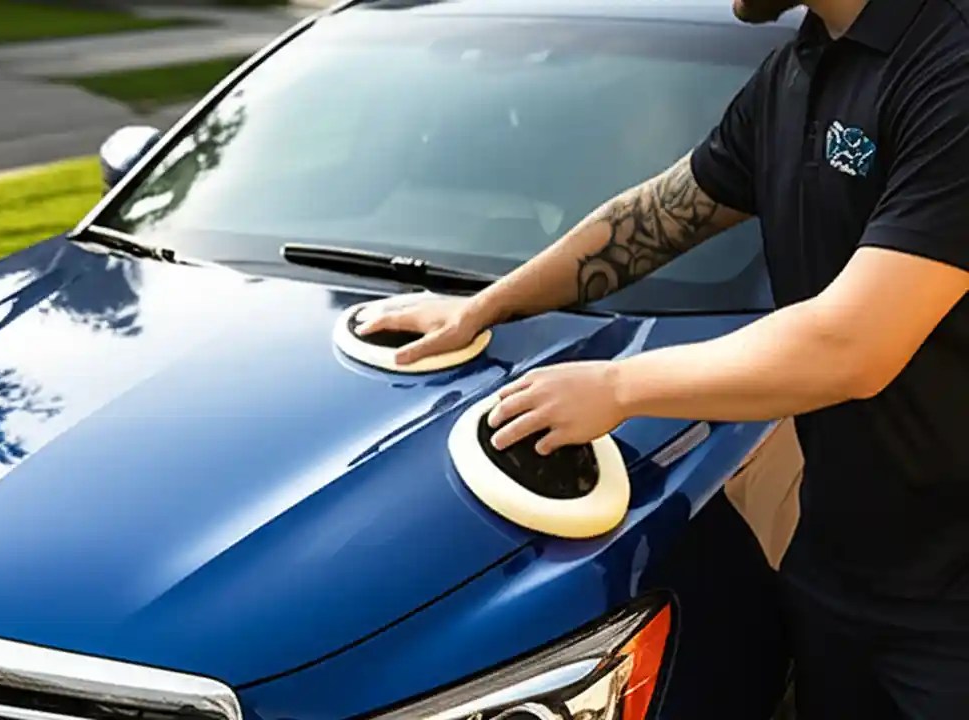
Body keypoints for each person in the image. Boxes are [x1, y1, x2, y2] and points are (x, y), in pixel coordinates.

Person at [358, 0, 969, 717]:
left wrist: (619, 385)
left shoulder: (949, 69)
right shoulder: (797, 69)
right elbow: (655, 216)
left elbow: (856, 344)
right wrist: (484, 307)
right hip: (837, 565)